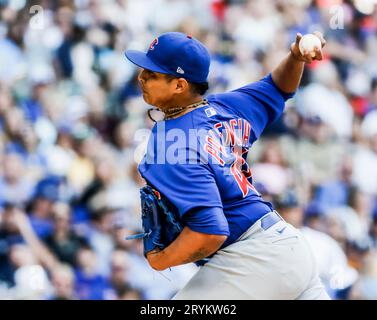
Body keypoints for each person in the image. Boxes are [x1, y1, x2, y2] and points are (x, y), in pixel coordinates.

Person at [124, 31, 330, 299]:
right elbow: (279, 88)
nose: (141, 78)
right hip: (291, 249)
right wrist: (294, 57)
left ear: (179, 85)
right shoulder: (226, 107)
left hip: (253, 259)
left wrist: (161, 260)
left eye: (151, 74)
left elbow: (210, 231)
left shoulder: (171, 142)